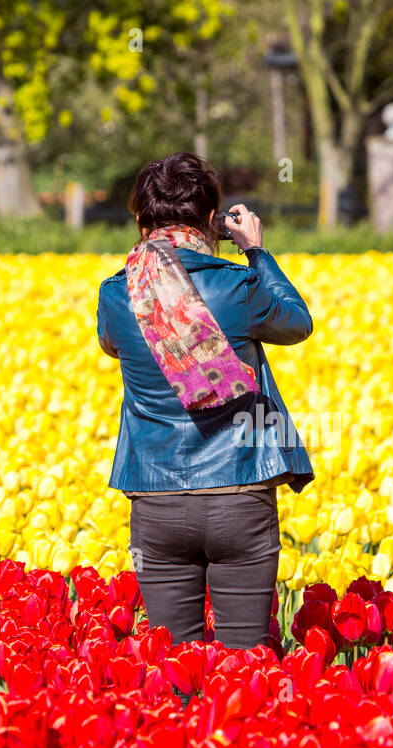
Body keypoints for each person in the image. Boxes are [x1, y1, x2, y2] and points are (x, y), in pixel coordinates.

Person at [96, 152, 314, 651]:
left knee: (174, 667)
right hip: (240, 495)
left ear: (140, 218)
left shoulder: (117, 294)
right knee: (246, 667)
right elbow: (296, 322)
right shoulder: (238, 284)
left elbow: (112, 345)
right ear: (212, 220)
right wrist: (256, 253)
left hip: (156, 500)